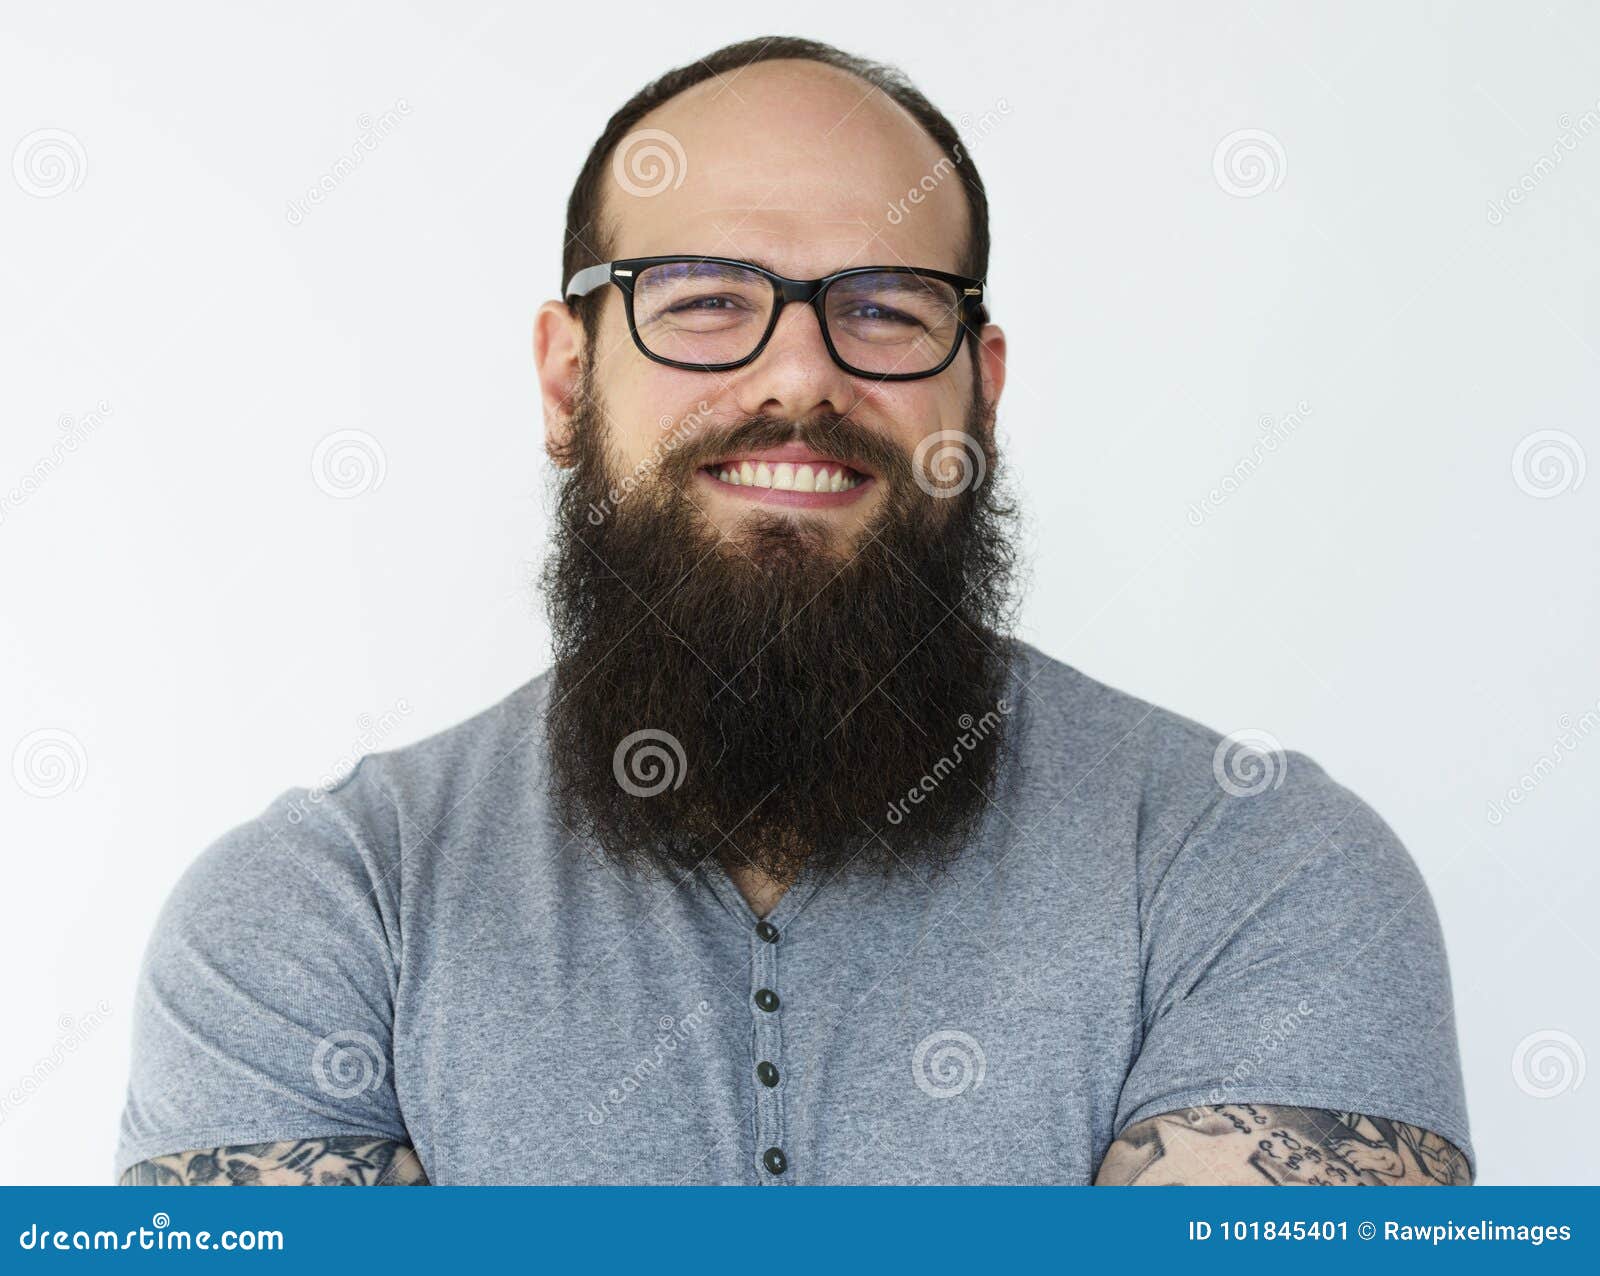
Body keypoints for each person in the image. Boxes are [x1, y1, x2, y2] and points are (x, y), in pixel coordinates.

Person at [117, 36, 1471, 1187]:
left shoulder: (1266, 873)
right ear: (564, 379)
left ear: (979, 394)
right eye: (705, 300)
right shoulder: (312, 915)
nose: (800, 377)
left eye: (886, 310)